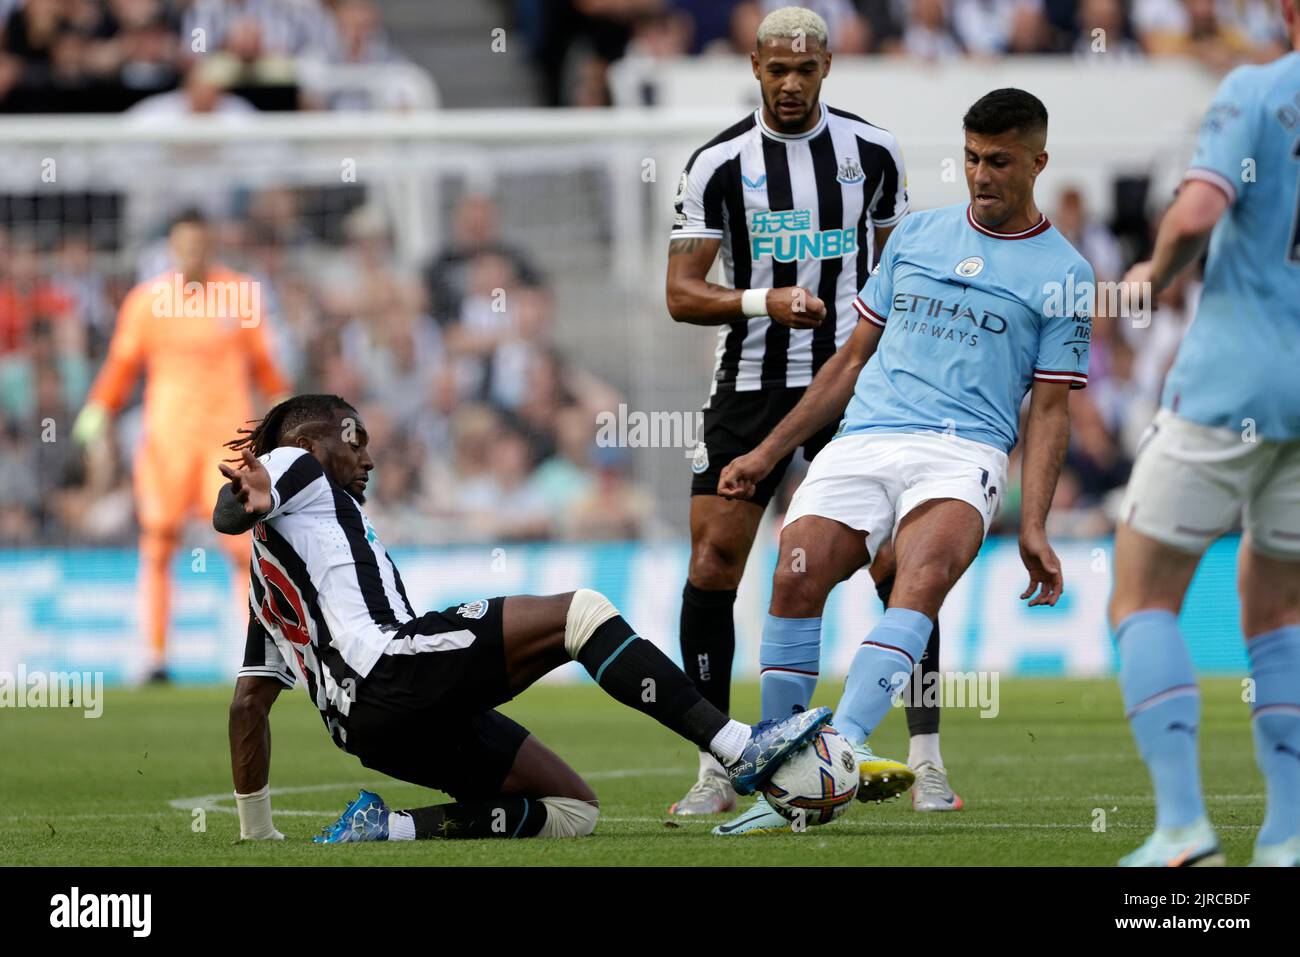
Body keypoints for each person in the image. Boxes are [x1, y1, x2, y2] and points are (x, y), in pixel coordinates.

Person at [714, 87, 1093, 836]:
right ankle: (778, 771)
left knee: (920, 577)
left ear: (1037, 162)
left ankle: (836, 759)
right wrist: (766, 452)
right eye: (973, 158)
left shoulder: (1066, 271)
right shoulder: (916, 237)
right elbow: (850, 361)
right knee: (794, 571)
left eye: (1001, 161)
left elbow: (1050, 409)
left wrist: (1037, 523)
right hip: (867, 437)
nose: (982, 175)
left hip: (964, 449)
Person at [216, 393, 831, 843]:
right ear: (308, 446)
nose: (369, 458)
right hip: (395, 667)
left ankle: (387, 829)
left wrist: (258, 833)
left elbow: (249, 707)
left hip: (366, 731)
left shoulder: (269, 584)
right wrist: (243, 499)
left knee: (571, 810)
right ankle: (737, 747)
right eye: (357, 440)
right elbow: (240, 501)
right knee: (582, 613)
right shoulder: (299, 468)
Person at [666, 4, 955, 823]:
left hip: (858, 384)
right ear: (754, 68)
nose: (790, 83)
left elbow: (908, 269)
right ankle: (718, 764)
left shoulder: (874, 153)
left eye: (806, 69)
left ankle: (927, 759)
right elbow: (680, 293)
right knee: (714, 562)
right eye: (776, 69)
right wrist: (763, 298)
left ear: (826, 69)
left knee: (902, 568)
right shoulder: (717, 163)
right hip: (751, 383)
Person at [1109, 2, 1300, 867]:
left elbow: (1194, 213)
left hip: (1233, 385)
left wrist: (1151, 273)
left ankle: (1184, 830)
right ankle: (1288, 835)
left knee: (1143, 591)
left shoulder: (1256, 90)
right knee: (1284, 608)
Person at [72, 208, 289, 682]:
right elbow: (121, 367)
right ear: (173, 248)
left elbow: (266, 366)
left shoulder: (240, 295)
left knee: (242, 546)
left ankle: (258, 652)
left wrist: (285, 410)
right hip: (167, 443)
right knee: (159, 544)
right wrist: (98, 409)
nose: (193, 253)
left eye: (200, 244)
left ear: (211, 245)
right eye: (184, 245)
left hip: (226, 443)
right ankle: (154, 656)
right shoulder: (147, 302)